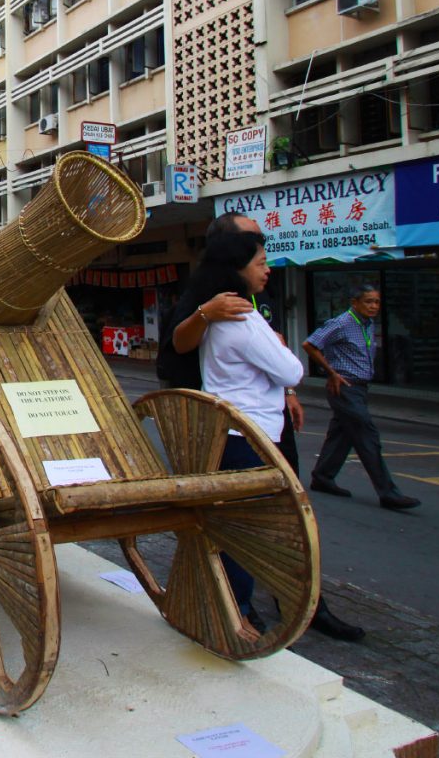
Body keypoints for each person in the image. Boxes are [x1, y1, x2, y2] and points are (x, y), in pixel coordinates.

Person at [159, 212, 364, 641]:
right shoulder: (210, 296)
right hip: (230, 426)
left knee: (283, 513)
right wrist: (205, 314)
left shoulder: (253, 297)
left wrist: (284, 389)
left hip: (268, 422)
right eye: (254, 244)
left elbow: (273, 359)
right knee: (241, 520)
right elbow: (175, 352)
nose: (265, 257)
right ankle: (239, 606)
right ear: (230, 252)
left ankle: (301, 600)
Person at [303, 284, 421, 510]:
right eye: (368, 301)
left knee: (341, 435)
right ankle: (388, 493)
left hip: (360, 388)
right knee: (368, 437)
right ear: (354, 303)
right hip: (345, 388)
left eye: (376, 302)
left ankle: (322, 477)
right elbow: (309, 344)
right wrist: (331, 372)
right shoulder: (341, 323)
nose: (374, 306)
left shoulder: (367, 324)